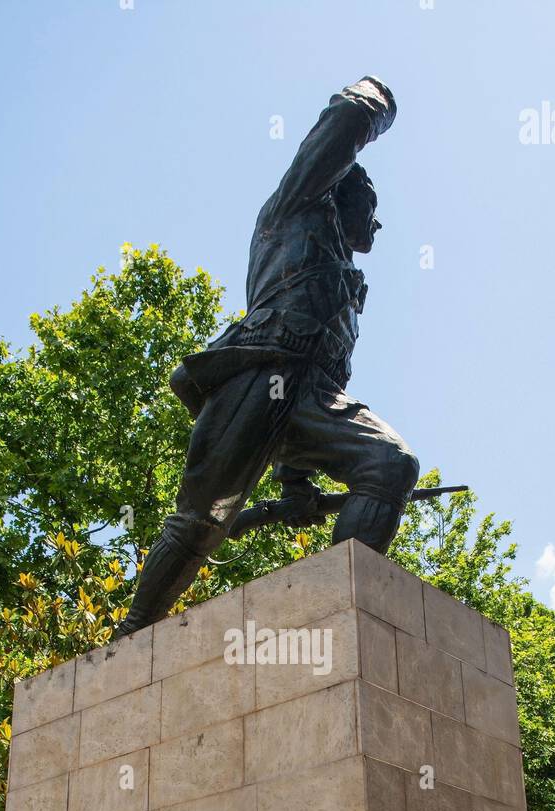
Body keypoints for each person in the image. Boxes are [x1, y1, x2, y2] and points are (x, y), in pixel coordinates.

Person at [115, 76, 419, 637]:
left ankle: (335, 611)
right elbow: (340, 129)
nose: (376, 223)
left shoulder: (348, 285)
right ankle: (132, 634)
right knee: (202, 523)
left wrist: (296, 483)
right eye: (371, 206)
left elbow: (326, 377)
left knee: (390, 466)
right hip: (257, 375)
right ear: (338, 192)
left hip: (308, 395)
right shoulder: (295, 210)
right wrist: (374, 99)